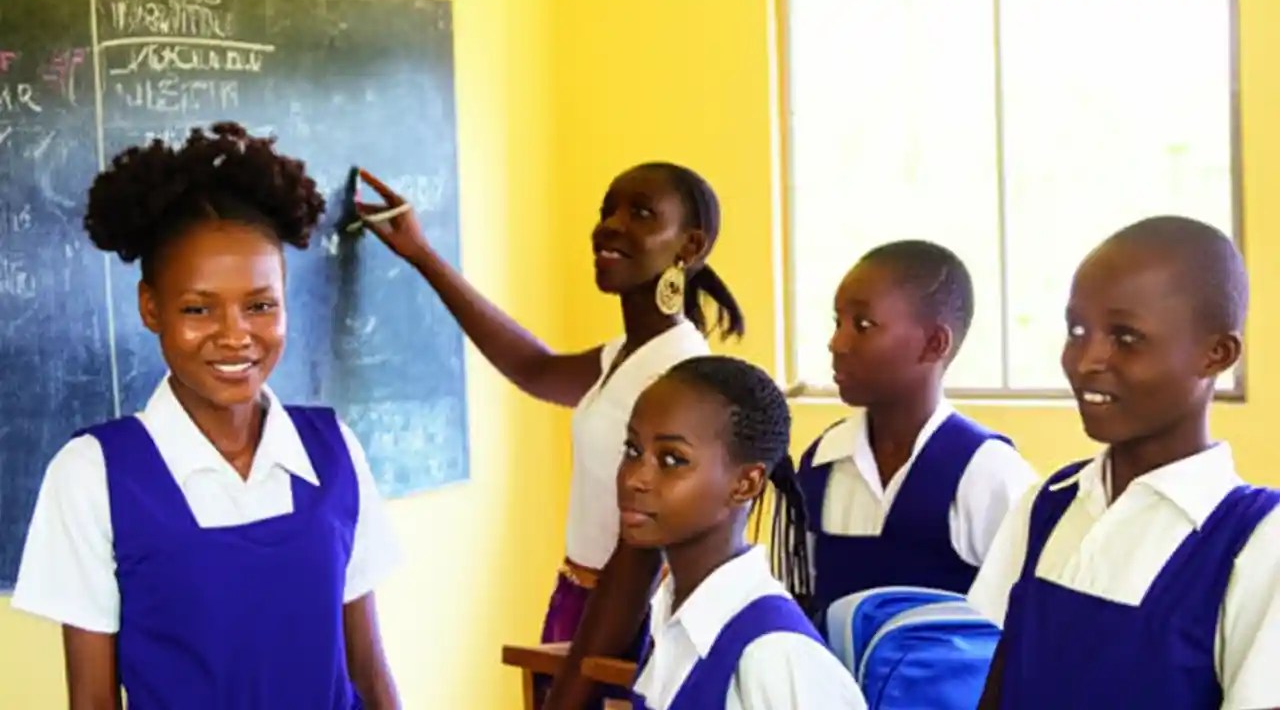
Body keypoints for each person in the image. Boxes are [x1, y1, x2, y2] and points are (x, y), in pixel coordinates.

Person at [10, 122, 401, 709]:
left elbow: (369, 672)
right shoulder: (94, 474)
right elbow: (91, 701)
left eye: (260, 306)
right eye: (199, 308)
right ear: (151, 308)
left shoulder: (332, 451)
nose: (235, 336)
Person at [354, 163, 744, 708]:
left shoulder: (678, 373)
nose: (610, 225)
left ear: (690, 245)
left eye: (642, 214)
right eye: (607, 209)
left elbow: (643, 556)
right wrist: (423, 255)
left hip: (625, 618)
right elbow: (534, 368)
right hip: (581, 599)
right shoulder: (626, 355)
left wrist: (576, 680)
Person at [971, 216, 1280, 709]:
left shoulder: (1257, 543)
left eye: (1126, 336)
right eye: (1077, 329)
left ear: (1217, 355)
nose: (1086, 359)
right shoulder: (1047, 507)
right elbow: (999, 683)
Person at [798, 240, 1037, 620]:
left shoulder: (988, 472)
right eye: (836, 322)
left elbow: (1027, 623)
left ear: (934, 344)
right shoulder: (823, 462)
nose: (837, 343)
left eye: (862, 325)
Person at [622, 356, 865, 710]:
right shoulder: (670, 613)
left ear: (745, 483)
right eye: (632, 450)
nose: (634, 478)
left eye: (672, 459)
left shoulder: (773, 655)